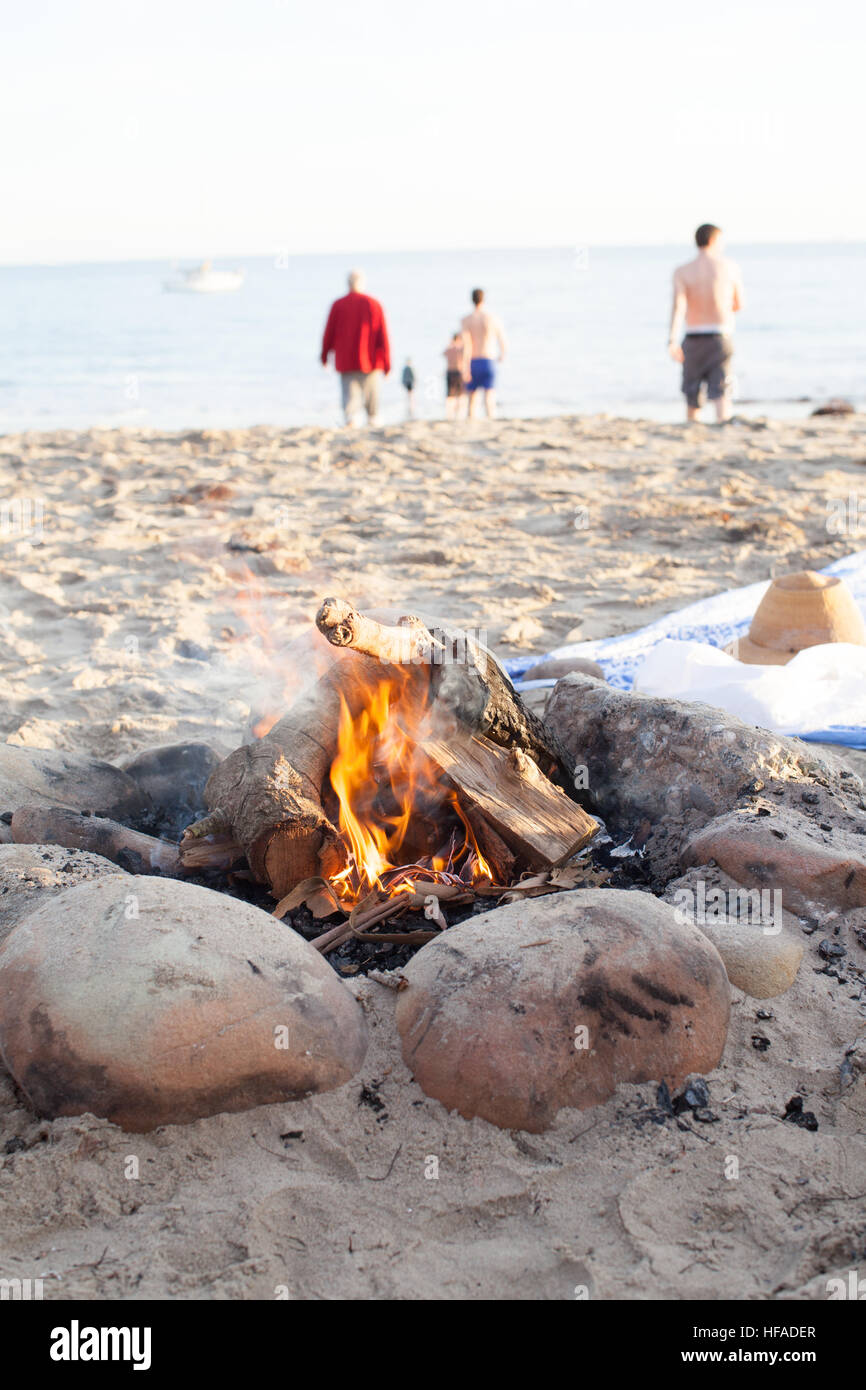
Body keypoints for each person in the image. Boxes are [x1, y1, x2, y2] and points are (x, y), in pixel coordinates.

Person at [668, 225, 744, 423]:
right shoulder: (729, 267)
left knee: (692, 397)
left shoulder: (682, 271)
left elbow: (678, 307)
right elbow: (738, 304)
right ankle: (722, 427)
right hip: (720, 337)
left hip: (693, 338)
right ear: (713, 240)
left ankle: (693, 429)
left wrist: (671, 340)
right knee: (721, 394)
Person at [321, 270, 391, 426]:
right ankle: (371, 421)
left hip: (347, 360)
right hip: (370, 361)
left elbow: (329, 333)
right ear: (362, 283)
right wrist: (387, 364)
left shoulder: (338, 305)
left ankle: (351, 421)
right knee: (372, 401)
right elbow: (383, 336)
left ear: (348, 284)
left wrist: (324, 356)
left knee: (350, 400)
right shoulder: (373, 304)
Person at [461, 288, 506, 419]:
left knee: (472, 400)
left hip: (473, 360)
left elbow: (466, 345)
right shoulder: (492, 318)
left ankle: (471, 425)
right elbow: (502, 340)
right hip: (488, 359)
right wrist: (502, 354)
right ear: (483, 299)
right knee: (489, 398)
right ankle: (491, 422)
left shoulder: (466, 320)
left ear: (471, 300)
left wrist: (465, 367)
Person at [443, 329, 469, 419]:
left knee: (450, 395)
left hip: (450, 372)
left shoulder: (449, 349)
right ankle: (458, 413)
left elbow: (444, 354)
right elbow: (467, 352)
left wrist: (451, 344)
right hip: (458, 372)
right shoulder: (460, 349)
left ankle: (449, 414)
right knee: (460, 394)